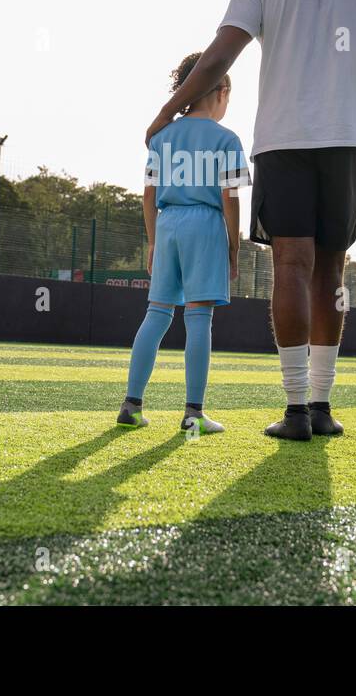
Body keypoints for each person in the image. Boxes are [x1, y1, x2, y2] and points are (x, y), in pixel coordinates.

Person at [146, 0, 356, 441]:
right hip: (345, 144)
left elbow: (217, 59)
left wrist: (169, 110)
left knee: (292, 266)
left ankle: (295, 411)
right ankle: (322, 406)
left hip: (283, 142)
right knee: (332, 271)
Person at [118, 52, 250, 434]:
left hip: (168, 222)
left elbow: (148, 195)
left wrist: (153, 241)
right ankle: (193, 413)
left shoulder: (163, 136)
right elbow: (230, 198)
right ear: (221, 90)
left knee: (156, 314)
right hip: (205, 225)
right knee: (198, 318)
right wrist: (233, 248)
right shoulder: (227, 139)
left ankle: (132, 404)